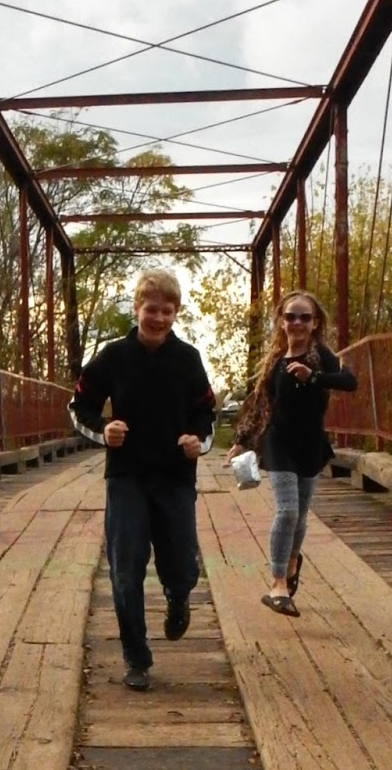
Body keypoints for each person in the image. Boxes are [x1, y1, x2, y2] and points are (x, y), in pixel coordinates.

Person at [69, 270, 217, 691]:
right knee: (125, 570)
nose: (158, 317)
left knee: (182, 564)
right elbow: (79, 406)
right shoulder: (112, 356)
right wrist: (104, 430)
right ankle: (137, 658)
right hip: (127, 476)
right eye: (151, 309)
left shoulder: (187, 358)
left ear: (176, 313)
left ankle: (179, 597)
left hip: (174, 476)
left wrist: (198, 440)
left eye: (167, 311)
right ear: (136, 309)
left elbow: (206, 411)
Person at [227, 289, 357, 616]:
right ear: (281, 323)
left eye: (305, 317)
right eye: (290, 317)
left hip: (310, 444)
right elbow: (260, 404)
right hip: (279, 443)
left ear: (314, 324)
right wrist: (242, 440)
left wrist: (313, 377)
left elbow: (349, 382)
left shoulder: (319, 355)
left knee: (300, 515)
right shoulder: (274, 360)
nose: (297, 322)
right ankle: (277, 584)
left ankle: (293, 560)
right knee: (287, 511)